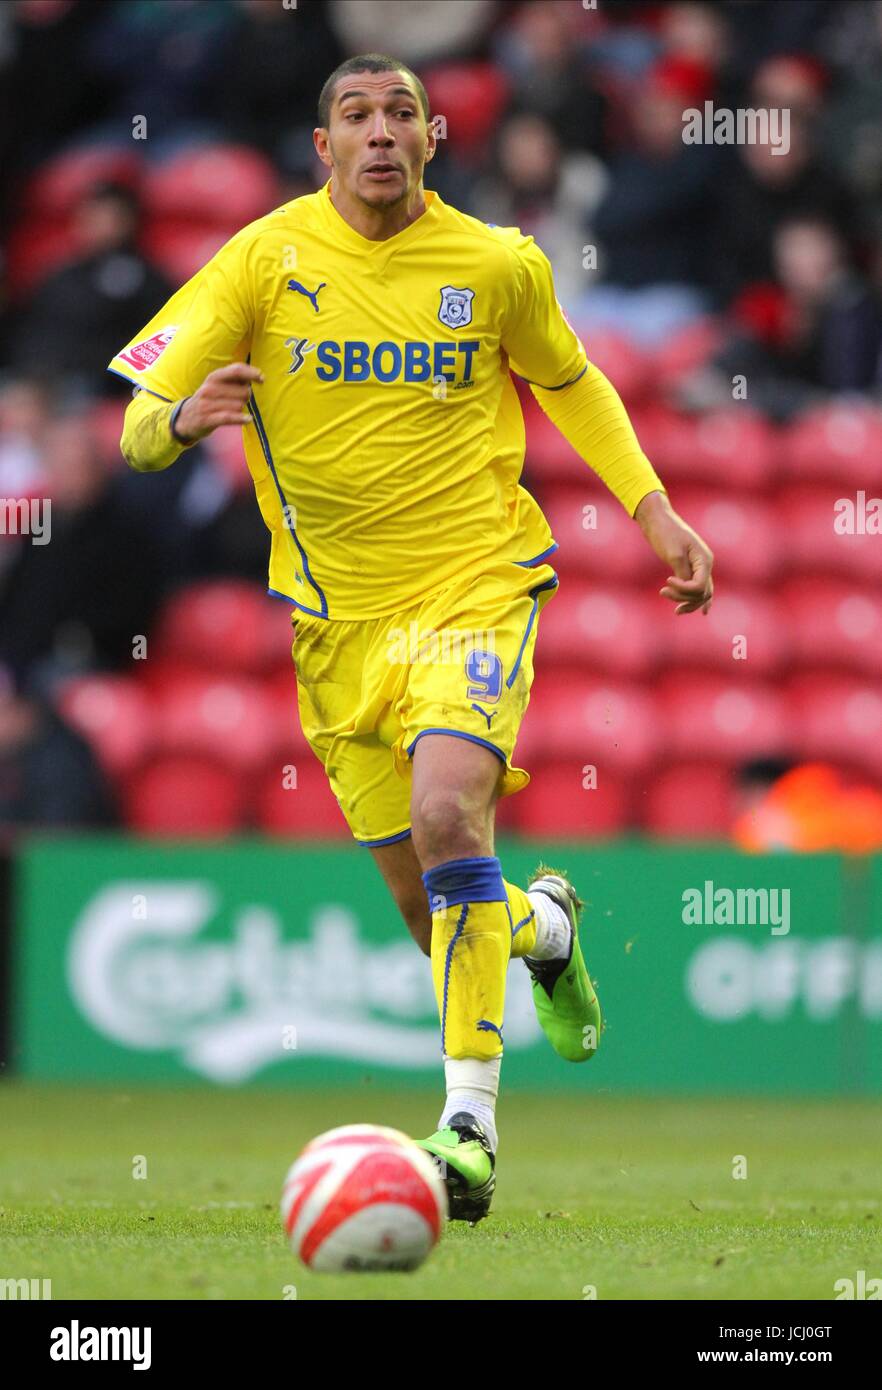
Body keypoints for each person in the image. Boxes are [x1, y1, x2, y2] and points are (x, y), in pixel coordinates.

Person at [108, 53, 714, 1224]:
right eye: (354, 115)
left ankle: (469, 1131)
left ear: (434, 137)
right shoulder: (262, 259)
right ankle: (544, 929)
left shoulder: (495, 265)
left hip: (474, 592)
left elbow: (573, 381)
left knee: (450, 814)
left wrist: (653, 508)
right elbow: (136, 423)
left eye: (401, 115)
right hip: (335, 629)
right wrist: (181, 419)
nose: (379, 133)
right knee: (437, 904)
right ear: (320, 144)